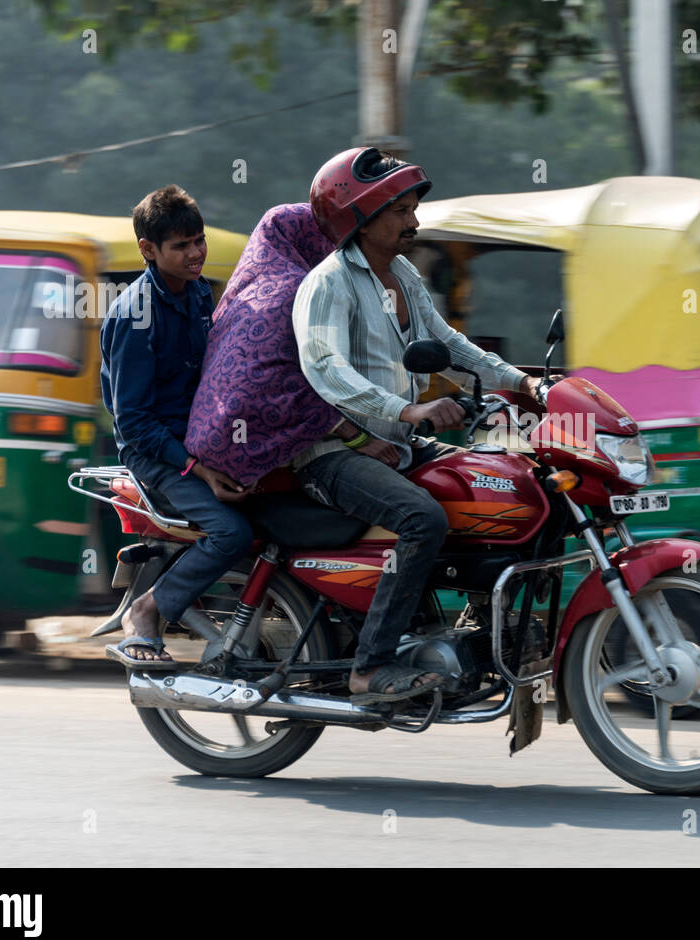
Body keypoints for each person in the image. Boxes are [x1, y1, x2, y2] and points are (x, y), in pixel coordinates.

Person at [293, 147, 546, 705]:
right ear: (360, 217)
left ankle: (484, 630)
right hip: (332, 454)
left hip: (397, 442)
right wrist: (408, 411)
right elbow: (325, 368)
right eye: (398, 211)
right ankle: (371, 666)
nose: (413, 221)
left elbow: (450, 344)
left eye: (412, 208)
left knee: (503, 480)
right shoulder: (328, 284)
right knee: (422, 518)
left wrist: (522, 385)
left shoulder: (403, 273)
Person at [99, 185, 252, 667]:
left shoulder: (199, 295)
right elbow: (135, 422)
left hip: (202, 439)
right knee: (230, 533)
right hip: (159, 455)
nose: (195, 253)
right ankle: (147, 611)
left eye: (198, 240)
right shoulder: (135, 318)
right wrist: (198, 468)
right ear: (148, 249)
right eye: (180, 245)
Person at [184, 202, 395, 486]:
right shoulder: (300, 290)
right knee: (420, 516)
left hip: (210, 442)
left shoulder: (243, 290)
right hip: (246, 452)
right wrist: (359, 437)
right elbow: (291, 383)